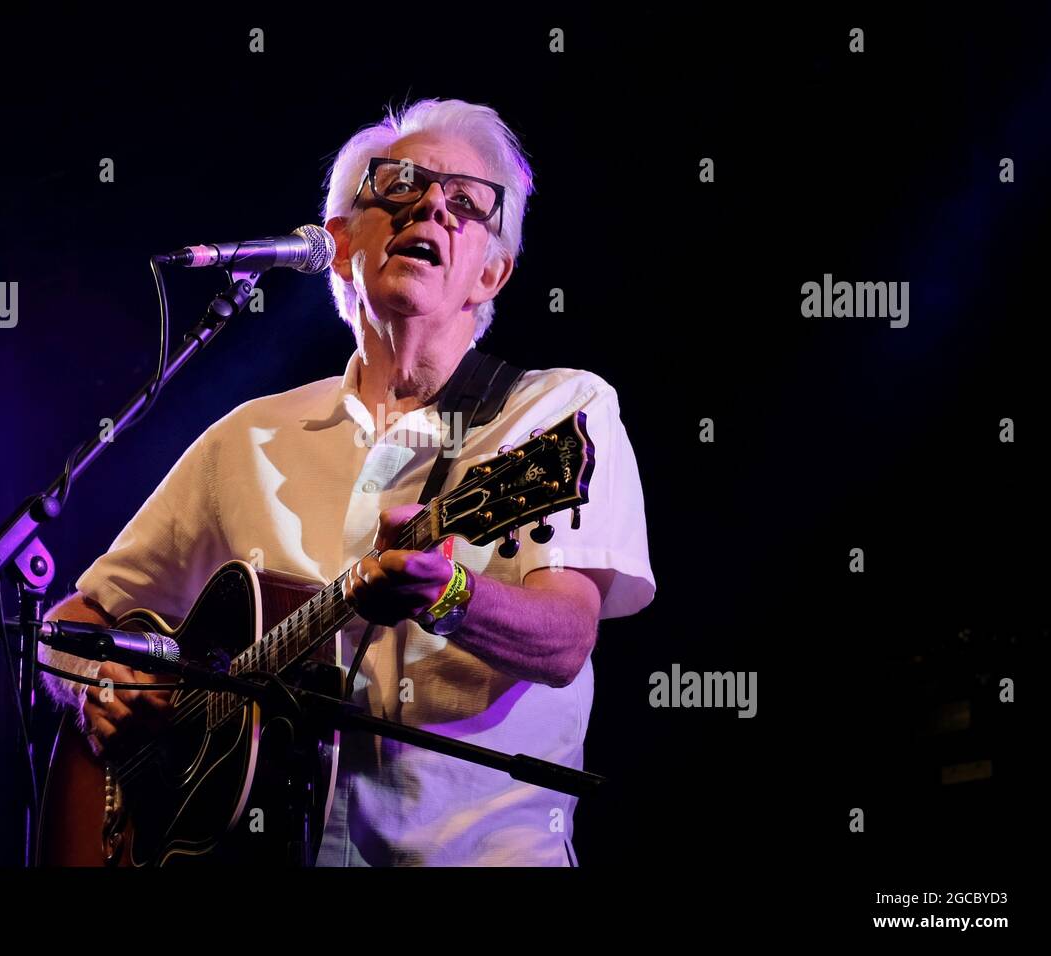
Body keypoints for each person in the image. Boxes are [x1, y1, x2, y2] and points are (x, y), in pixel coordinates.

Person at [41, 98, 655, 866]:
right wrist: (99, 684)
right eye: (401, 183)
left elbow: (566, 638)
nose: (434, 203)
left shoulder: (558, 413)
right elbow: (77, 620)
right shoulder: (248, 438)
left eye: (467, 203)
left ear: (491, 273)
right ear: (337, 244)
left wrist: (447, 594)